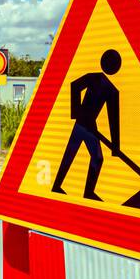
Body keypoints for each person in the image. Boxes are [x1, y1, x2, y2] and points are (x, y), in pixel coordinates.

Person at [52, 49, 122, 201]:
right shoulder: (95, 79)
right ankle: (58, 187)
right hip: (81, 125)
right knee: (72, 154)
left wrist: (116, 146)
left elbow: (113, 119)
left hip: (90, 126)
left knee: (95, 158)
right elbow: (74, 86)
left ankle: (87, 192)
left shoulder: (111, 90)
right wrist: (76, 113)